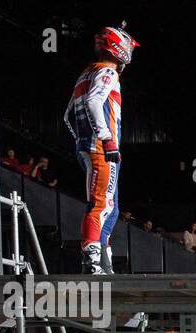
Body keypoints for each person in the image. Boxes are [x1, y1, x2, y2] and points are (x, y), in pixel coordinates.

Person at [65, 24, 139, 274]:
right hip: (101, 148)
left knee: (112, 208)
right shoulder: (107, 71)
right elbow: (95, 101)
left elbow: (67, 116)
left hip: (91, 146)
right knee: (101, 205)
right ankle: (93, 261)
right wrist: (105, 139)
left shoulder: (85, 73)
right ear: (118, 47)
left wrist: (81, 141)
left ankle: (103, 259)